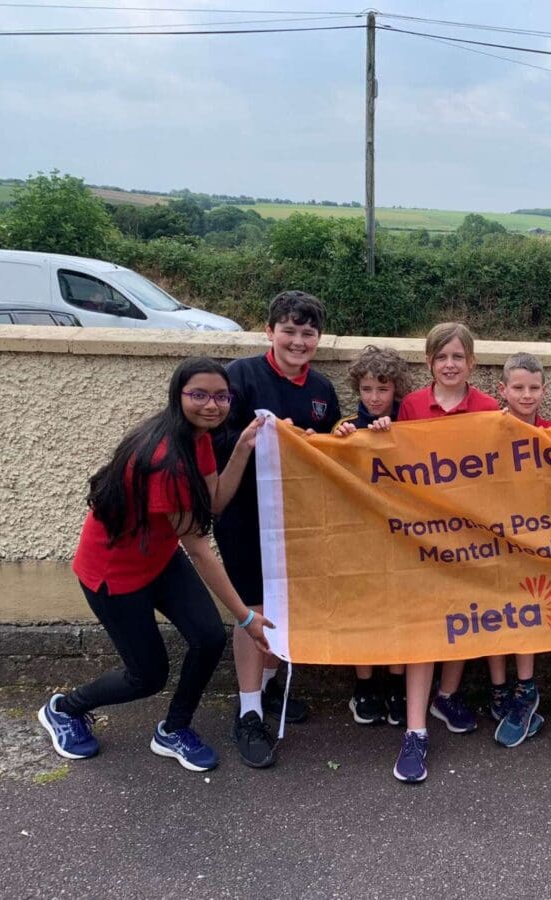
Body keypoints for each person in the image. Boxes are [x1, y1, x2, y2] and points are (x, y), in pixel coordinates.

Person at [37, 357, 272, 772]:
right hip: (114, 575)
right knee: (147, 676)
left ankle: (174, 730)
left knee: (207, 637)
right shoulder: (167, 459)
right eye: (198, 395)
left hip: (158, 558)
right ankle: (65, 709)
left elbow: (213, 504)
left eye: (220, 396)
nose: (211, 405)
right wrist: (244, 617)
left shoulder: (198, 438)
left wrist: (241, 448)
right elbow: (199, 547)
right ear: (177, 395)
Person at [214, 290, 342, 768]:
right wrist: (256, 437)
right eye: (289, 330)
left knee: (286, 609)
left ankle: (266, 691)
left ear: (318, 339)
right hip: (244, 516)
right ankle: (247, 713)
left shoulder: (322, 390)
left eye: (308, 333)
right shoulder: (239, 376)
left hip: (296, 519)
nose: (298, 340)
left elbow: (327, 455)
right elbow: (215, 438)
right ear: (269, 332)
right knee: (253, 611)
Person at [390, 322, 498, 782]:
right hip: (421, 535)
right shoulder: (412, 405)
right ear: (429, 363)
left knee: (465, 617)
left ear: (471, 363)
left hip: (471, 535)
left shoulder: (490, 407)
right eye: (441, 357)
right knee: (423, 629)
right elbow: (390, 463)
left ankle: (445, 696)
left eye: (458, 357)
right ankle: (415, 733)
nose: (450, 364)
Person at [332, 344, 412, 727]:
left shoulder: (409, 425)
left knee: (399, 607)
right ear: (358, 390)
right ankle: (364, 686)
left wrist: (393, 435)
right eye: (367, 389)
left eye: (383, 389)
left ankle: (397, 684)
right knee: (360, 608)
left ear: (396, 390)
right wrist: (345, 436)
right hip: (358, 538)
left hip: (402, 536)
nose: (375, 397)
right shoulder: (345, 426)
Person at [489, 352, 551, 747]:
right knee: (493, 612)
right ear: (503, 390)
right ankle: (499, 688)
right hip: (489, 539)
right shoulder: (488, 429)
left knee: (525, 613)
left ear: (544, 391)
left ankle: (526, 689)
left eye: (533, 388)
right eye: (518, 388)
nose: (526, 395)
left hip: (535, 542)